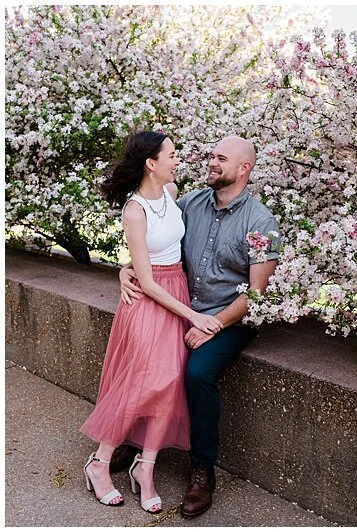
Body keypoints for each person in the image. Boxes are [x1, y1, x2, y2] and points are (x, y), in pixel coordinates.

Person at [117, 135, 281, 517]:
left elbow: (257, 295)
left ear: (244, 169)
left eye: (220, 159)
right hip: (182, 307)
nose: (211, 163)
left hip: (231, 317)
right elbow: (156, 249)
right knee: (150, 361)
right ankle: (134, 442)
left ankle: (202, 468)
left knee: (197, 373)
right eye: (211, 156)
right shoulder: (188, 204)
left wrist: (214, 325)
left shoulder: (261, 222)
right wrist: (125, 273)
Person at [82, 131, 220, 513]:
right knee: (141, 383)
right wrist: (192, 314)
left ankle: (146, 467)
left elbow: (168, 250)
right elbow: (145, 277)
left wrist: (127, 269)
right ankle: (99, 463)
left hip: (176, 288)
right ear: (151, 163)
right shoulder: (134, 209)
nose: (178, 160)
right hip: (150, 300)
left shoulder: (172, 193)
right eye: (172, 154)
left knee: (171, 382)